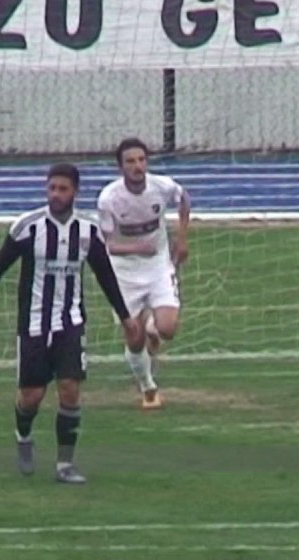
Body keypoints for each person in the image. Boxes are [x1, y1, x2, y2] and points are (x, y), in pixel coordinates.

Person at [0, 163, 134, 485]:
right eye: (51, 188)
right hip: (34, 323)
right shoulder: (28, 227)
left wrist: (125, 317)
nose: (56, 194)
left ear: (75, 192)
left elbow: (105, 275)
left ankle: (65, 464)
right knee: (32, 396)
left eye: (62, 189)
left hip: (71, 321)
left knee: (70, 389)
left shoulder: (88, 230)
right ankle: (23, 436)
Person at [97, 138, 190, 410]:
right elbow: (107, 245)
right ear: (120, 167)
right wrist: (137, 247)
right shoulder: (109, 199)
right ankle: (148, 387)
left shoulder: (162, 186)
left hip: (158, 266)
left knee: (168, 328)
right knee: (134, 339)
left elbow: (184, 199)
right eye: (130, 161)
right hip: (124, 274)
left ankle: (154, 330)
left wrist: (182, 239)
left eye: (141, 160)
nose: (138, 166)